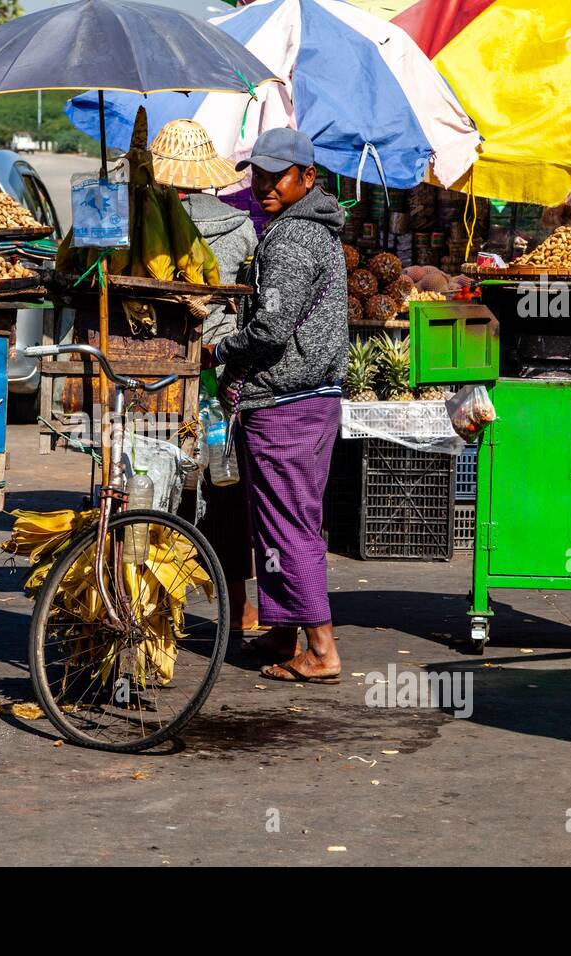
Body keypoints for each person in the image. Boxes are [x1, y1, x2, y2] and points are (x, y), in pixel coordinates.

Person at [204, 127, 347, 684]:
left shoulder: (290, 238)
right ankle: (286, 631)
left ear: (307, 178)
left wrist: (222, 347)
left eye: (275, 175)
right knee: (281, 522)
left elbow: (268, 330)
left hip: (288, 400)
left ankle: (321, 649)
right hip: (307, 397)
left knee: (288, 525)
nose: (263, 185)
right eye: (258, 175)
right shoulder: (315, 230)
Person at [149, 119, 261, 632]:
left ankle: (155, 606)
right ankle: (241, 608)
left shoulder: (144, 222)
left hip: (156, 377)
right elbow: (253, 305)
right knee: (223, 486)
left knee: (158, 483)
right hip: (218, 380)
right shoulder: (240, 226)